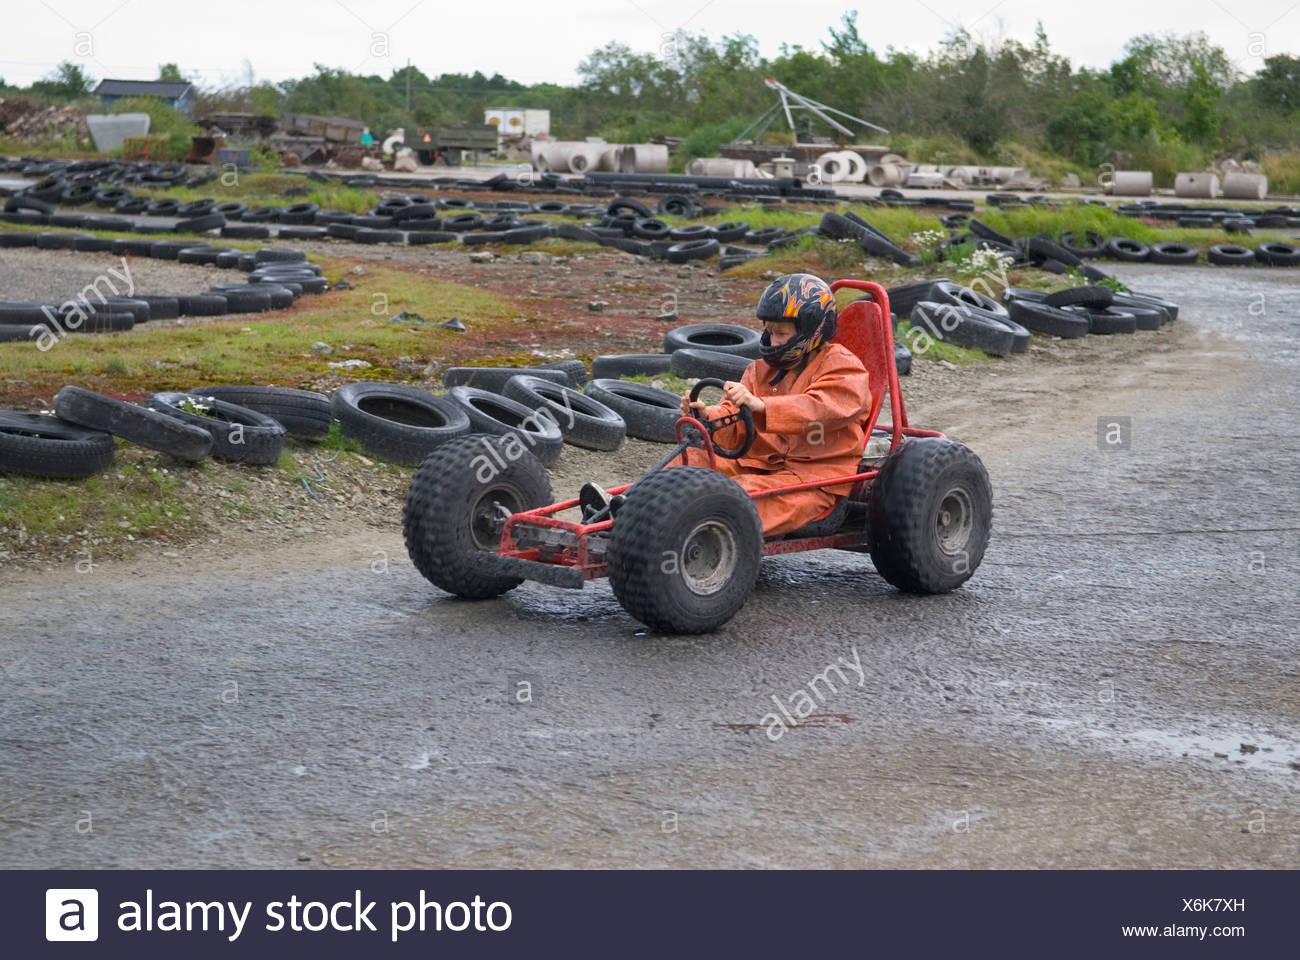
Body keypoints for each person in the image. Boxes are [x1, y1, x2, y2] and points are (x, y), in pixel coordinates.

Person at [675, 273, 872, 537]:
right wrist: (707, 416)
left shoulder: (844, 367)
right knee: (689, 461)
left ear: (809, 331)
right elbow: (735, 418)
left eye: (781, 333)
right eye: (768, 331)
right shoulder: (759, 371)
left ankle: (673, 530)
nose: (772, 340)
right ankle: (629, 506)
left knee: (734, 495)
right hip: (757, 465)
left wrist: (762, 406)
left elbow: (820, 409)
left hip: (813, 482)